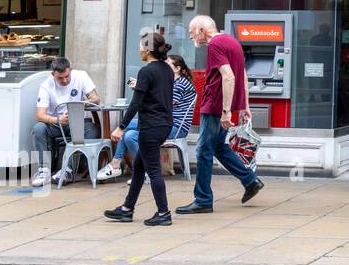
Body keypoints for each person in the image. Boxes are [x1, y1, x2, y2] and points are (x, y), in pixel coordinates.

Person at [175, 15, 263, 214]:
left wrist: (226, 111)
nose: (191, 38)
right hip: (225, 103)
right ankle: (250, 181)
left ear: (201, 31)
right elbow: (243, 76)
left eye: (191, 33)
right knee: (218, 147)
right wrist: (243, 105)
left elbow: (229, 76)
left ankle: (203, 199)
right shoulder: (232, 41)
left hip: (215, 105)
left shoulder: (215, 45)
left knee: (203, 150)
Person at [103, 33, 175, 226]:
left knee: (153, 171)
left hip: (150, 126)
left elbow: (135, 104)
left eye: (141, 47)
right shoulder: (167, 69)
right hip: (164, 124)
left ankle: (163, 213)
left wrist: (121, 127)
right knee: (139, 168)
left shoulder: (146, 71)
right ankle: (127, 209)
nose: (139, 50)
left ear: (148, 49)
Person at [97, 54, 195, 181]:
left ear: (177, 69)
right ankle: (118, 165)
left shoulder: (180, 83)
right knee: (127, 131)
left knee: (128, 132)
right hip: (162, 123)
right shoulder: (170, 82)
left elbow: (162, 104)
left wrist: (142, 88)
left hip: (174, 127)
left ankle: (142, 170)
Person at [30, 57, 102, 187]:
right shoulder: (46, 85)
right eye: (60, 78)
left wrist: (79, 105)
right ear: (53, 74)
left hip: (77, 120)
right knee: (38, 129)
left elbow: (96, 99)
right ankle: (44, 170)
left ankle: (68, 169)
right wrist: (58, 120)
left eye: (67, 76)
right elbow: (39, 115)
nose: (65, 80)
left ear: (71, 70)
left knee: (91, 130)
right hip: (56, 123)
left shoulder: (81, 76)